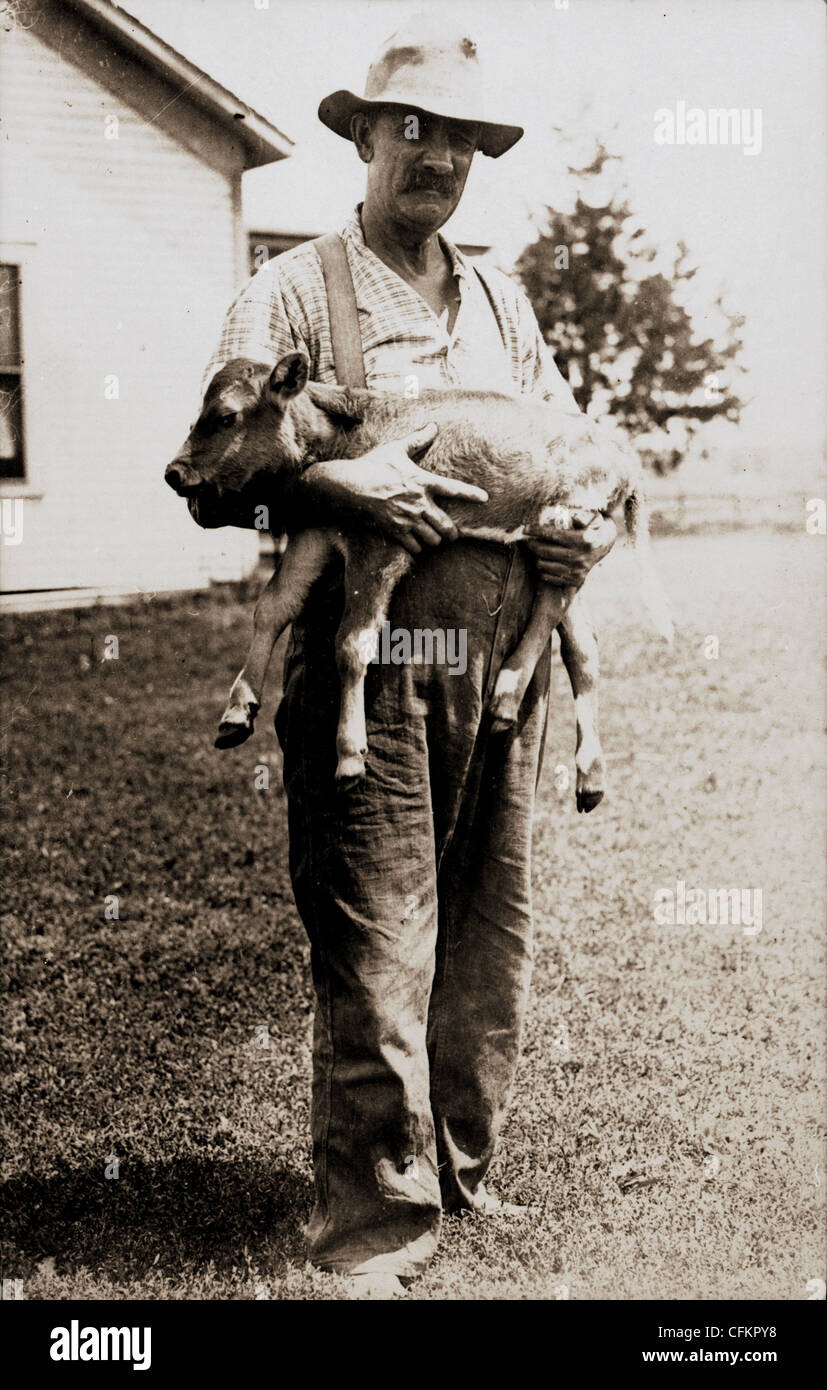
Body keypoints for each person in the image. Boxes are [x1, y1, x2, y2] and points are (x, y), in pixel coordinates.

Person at [187, 19, 616, 1297]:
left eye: (463, 141)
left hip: (500, 673)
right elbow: (214, 473)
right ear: (364, 137)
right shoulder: (289, 295)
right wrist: (335, 474)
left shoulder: (502, 302)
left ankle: (464, 1176)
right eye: (411, 130)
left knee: (490, 937)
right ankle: (375, 1221)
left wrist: (585, 517)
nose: (436, 158)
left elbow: (563, 444)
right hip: (365, 663)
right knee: (377, 937)